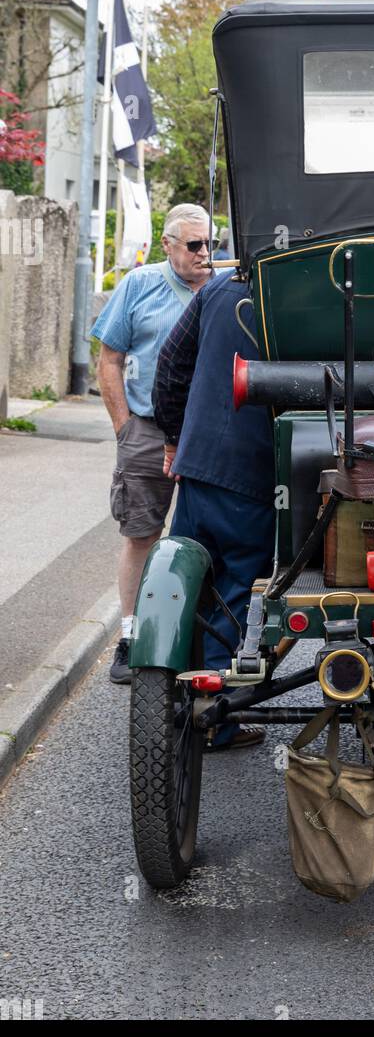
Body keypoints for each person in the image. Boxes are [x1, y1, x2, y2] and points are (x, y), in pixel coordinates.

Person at [153, 271, 276, 750]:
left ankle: (165, 698)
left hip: (200, 459)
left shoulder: (220, 288)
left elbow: (171, 365)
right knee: (237, 588)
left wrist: (173, 436)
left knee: (183, 583)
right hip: (254, 467)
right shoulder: (308, 285)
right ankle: (214, 715)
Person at [92, 204, 214, 683]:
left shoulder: (226, 288)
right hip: (147, 429)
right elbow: (109, 359)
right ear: (168, 245)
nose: (205, 254)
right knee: (142, 533)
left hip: (208, 435)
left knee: (211, 535)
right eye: (194, 245)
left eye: (210, 244)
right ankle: (130, 637)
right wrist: (124, 427)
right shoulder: (140, 285)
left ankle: (200, 639)